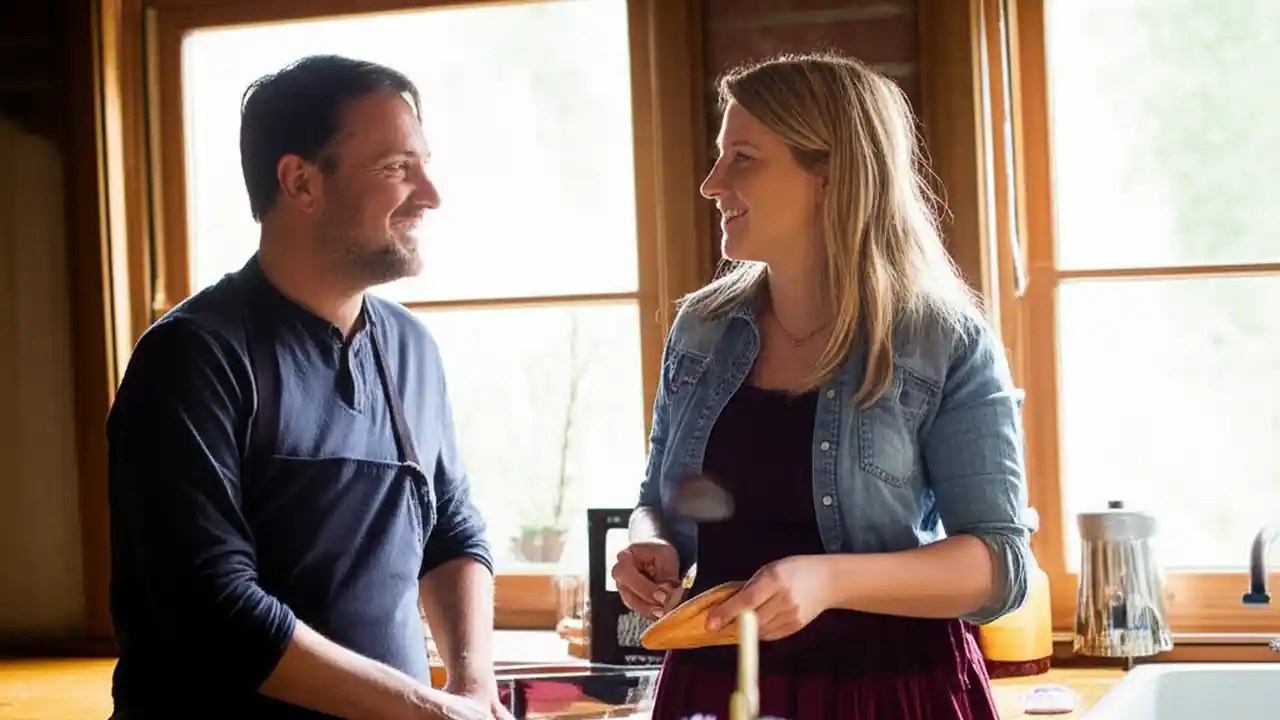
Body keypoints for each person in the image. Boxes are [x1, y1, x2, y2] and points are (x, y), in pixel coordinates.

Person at [611, 52, 1032, 720]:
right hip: (713, 689)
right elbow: (652, 500)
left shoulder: (941, 338)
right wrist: (651, 544)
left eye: (742, 157)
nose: (711, 183)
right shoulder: (701, 329)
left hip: (891, 693)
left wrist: (828, 580)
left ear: (831, 176)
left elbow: (1001, 568)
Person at [107, 55, 508, 720]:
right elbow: (219, 610)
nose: (430, 193)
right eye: (396, 167)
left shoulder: (413, 348)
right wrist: (430, 711)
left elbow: (453, 532)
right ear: (300, 182)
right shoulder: (189, 359)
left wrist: (471, 687)